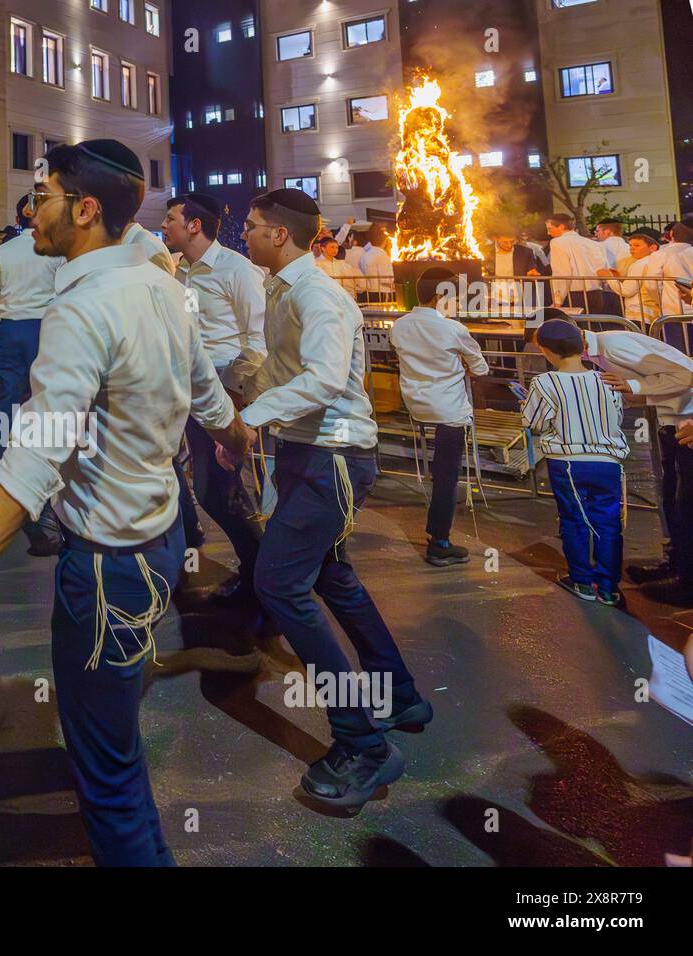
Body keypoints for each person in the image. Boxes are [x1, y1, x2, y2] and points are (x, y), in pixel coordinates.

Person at [0, 140, 255, 866]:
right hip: (155, 542)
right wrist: (237, 438)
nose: (32, 212)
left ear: (85, 211)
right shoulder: (158, 283)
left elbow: (27, 471)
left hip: (107, 569)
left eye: (45, 195)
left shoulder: (84, 309)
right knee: (115, 755)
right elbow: (206, 389)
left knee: (108, 782)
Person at [239, 188, 430, 811]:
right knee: (332, 578)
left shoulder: (318, 293)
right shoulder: (283, 290)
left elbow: (320, 380)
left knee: (280, 583)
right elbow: (280, 370)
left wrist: (254, 417)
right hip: (309, 450)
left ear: (279, 235)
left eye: (251, 226)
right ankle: (397, 695)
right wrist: (241, 416)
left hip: (335, 455)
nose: (244, 234)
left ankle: (363, 744)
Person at [163, 191, 268, 607]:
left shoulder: (237, 271)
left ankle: (261, 574)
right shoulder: (179, 271)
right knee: (203, 483)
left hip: (222, 395)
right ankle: (251, 566)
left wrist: (232, 389)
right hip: (186, 390)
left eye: (171, 218)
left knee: (218, 489)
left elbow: (258, 341)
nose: (165, 226)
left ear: (194, 225)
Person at [569, 323, 693, 604]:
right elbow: (658, 382)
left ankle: (687, 582)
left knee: (685, 503)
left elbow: (684, 376)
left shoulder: (614, 346)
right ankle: (678, 566)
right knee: (675, 501)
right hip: (675, 419)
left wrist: (632, 386)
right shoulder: (602, 354)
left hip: (686, 418)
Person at [388, 267, 490, 566]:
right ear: (440, 297)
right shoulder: (453, 329)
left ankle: (439, 538)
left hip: (415, 405)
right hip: (449, 411)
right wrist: (463, 365)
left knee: (439, 471)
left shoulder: (399, 326)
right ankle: (439, 542)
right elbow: (481, 368)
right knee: (446, 477)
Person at [523, 319, 629, 606]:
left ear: (547, 352)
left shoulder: (545, 383)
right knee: (608, 524)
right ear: (582, 347)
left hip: (568, 461)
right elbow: (617, 418)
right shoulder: (607, 379)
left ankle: (582, 581)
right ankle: (608, 587)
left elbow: (532, 422)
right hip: (608, 461)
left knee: (575, 520)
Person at [0, 193, 64, 458]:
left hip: (10, 329)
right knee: (46, 401)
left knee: (7, 401)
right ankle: (42, 464)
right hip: (45, 330)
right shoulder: (55, 250)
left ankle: (2, 463)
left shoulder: (2, 252)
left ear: (18, 220)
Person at [546, 213, 620, 315]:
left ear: (561, 227)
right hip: (596, 294)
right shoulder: (594, 243)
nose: (548, 233)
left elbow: (562, 272)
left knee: (574, 329)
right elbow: (603, 270)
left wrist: (557, 300)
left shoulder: (557, 242)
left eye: (550, 229)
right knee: (593, 328)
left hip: (574, 296)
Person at [600, 228, 663, 326]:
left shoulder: (640, 263)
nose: (632, 248)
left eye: (637, 245)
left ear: (652, 248)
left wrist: (609, 277)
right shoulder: (656, 261)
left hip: (638, 312)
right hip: (652, 313)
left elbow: (627, 291)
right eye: (630, 245)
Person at [357, 223, 394, 303]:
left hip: (369, 292)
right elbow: (386, 278)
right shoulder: (382, 254)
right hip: (382, 292)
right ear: (384, 241)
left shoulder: (364, 254)